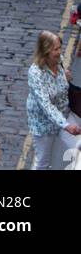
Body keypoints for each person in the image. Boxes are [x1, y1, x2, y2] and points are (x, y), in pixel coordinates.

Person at [26, 31, 81, 168]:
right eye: (55, 49)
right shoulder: (35, 73)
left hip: (64, 114)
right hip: (43, 124)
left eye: (60, 48)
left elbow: (61, 80)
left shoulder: (59, 59)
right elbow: (46, 104)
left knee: (77, 147)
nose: (59, 52)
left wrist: (65, 76)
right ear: (45, 51)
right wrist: (66, 125)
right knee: (43, 162)